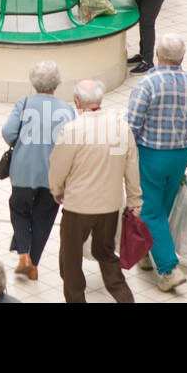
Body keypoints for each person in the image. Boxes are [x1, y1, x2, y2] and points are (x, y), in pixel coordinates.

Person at [48, 79, 143, 303]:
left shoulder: (72, 130)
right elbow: (132, 165)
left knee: (70, 257)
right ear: (101, 99)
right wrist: (134, 198)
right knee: (105, 252)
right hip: (110, 206)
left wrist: (57, 189)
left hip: (78, 207)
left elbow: (58, 166)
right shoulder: (121, 127)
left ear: (77, 102)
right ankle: (124, 297)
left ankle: (76, 298)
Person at [126, 33, 187, 291]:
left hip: (151, 155)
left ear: (158, 56)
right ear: (182, 58)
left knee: (150, 211)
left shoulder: (147, 84)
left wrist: (127, 156)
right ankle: (147, 255)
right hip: (180, 155)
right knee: (164, 208)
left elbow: (131, 125)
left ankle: (168, 267)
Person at [2, 61, 76, 281]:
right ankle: (33, 262)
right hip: (53, 174)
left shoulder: (23, 103)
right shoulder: (66, 110)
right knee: (44, 216)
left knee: (19, 208)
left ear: (33, 82)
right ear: (58, 83)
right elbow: (73, 142)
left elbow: (8, 133)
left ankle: (23, 254)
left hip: (23, 169)